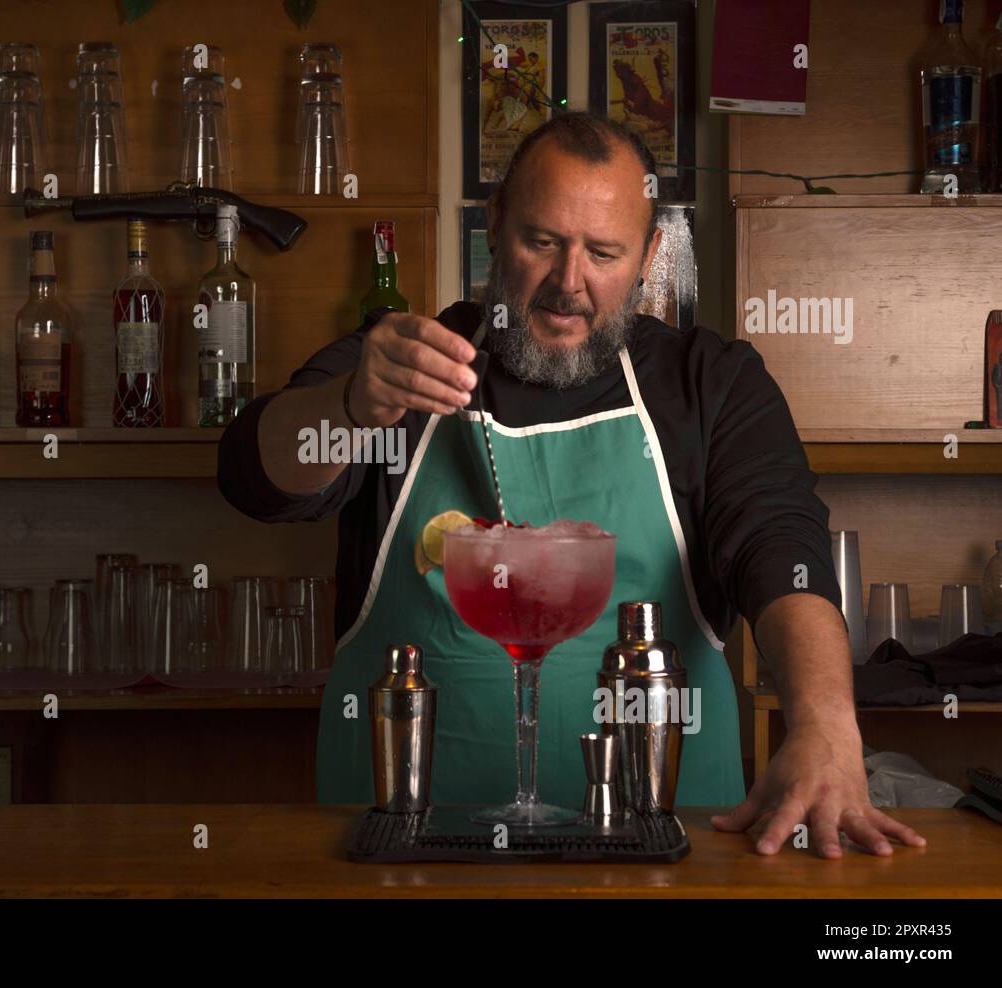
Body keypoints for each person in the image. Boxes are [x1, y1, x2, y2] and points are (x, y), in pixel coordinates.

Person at [218, 111, 926, 859]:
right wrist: (348, 406)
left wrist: (822, 723)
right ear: (495, 226)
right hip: (406, 862)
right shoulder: (400, 363)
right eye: (543, 241)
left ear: (651, 255)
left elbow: (781, 547)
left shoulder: (711, 385)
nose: (569, 283)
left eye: (604, 252)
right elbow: (253, 479)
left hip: (672, 860)